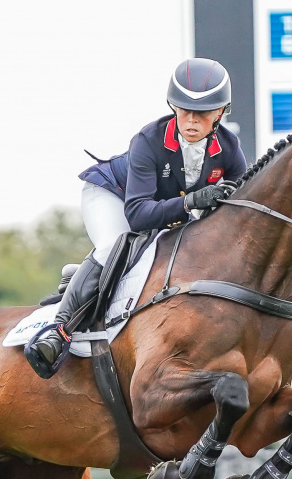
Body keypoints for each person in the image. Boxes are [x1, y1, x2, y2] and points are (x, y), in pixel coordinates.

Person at [25, 58, 249, 378]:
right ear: (173, 106)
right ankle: (57, 332)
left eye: (202, 112)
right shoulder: (148, 140)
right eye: (184, 110)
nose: (191, 120)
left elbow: (240, 208)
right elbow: (138, 215)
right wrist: (192, 202)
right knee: (114, 246)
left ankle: (81, 277)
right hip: (113, 196)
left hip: (159, 208)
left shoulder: (229, 147)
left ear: (220, 113)